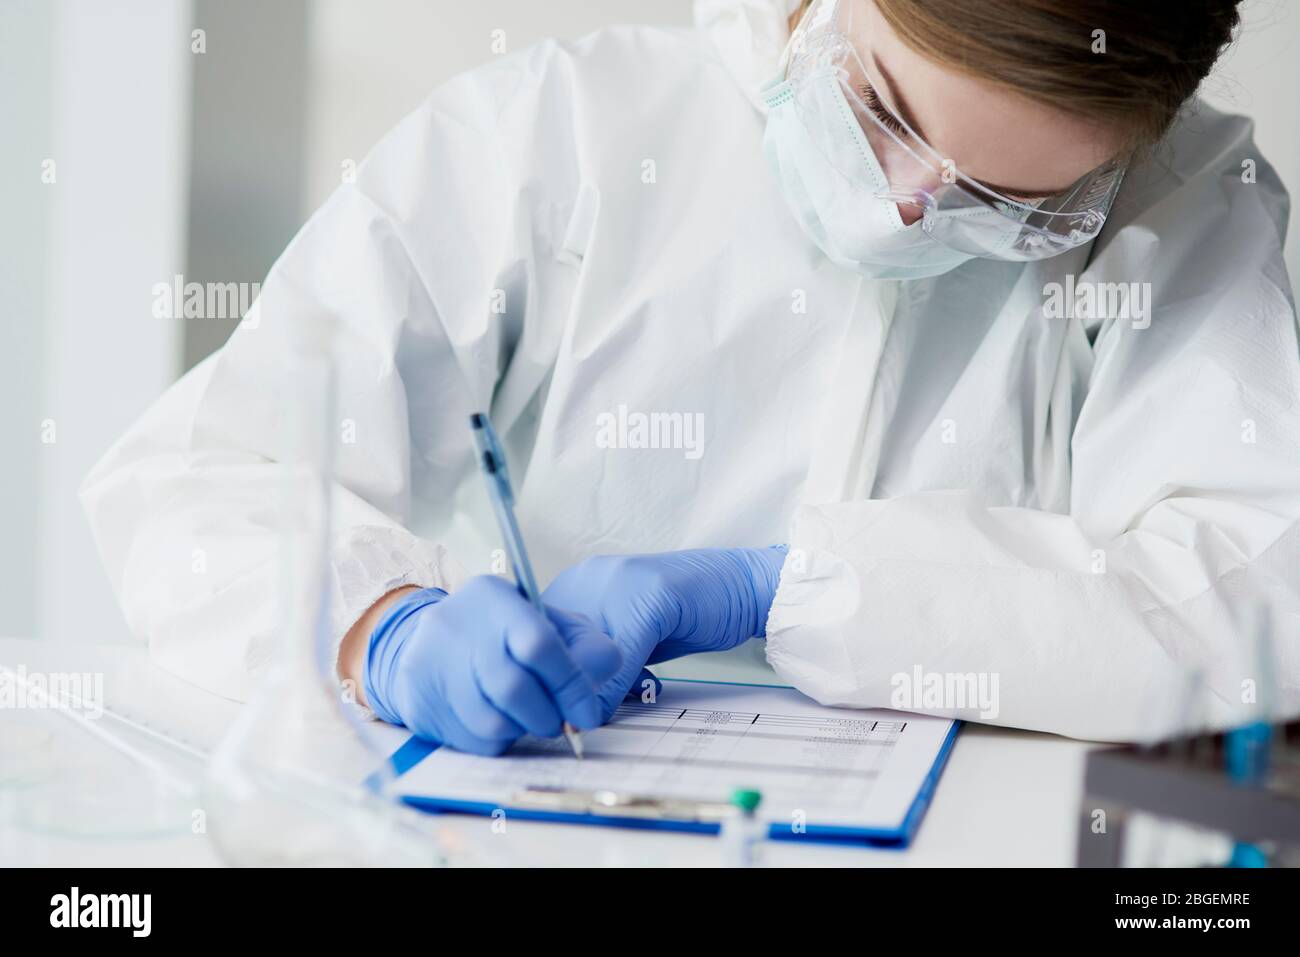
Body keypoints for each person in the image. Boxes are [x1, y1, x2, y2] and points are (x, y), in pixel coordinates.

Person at [83, 0, 1299, 752]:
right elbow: (196, 483)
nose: (905, 205)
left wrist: (782, 590)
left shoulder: (1182, 205)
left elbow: (1257, 606)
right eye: (879, 109)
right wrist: (384, 630)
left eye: (1011, 207)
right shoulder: (553, 134)